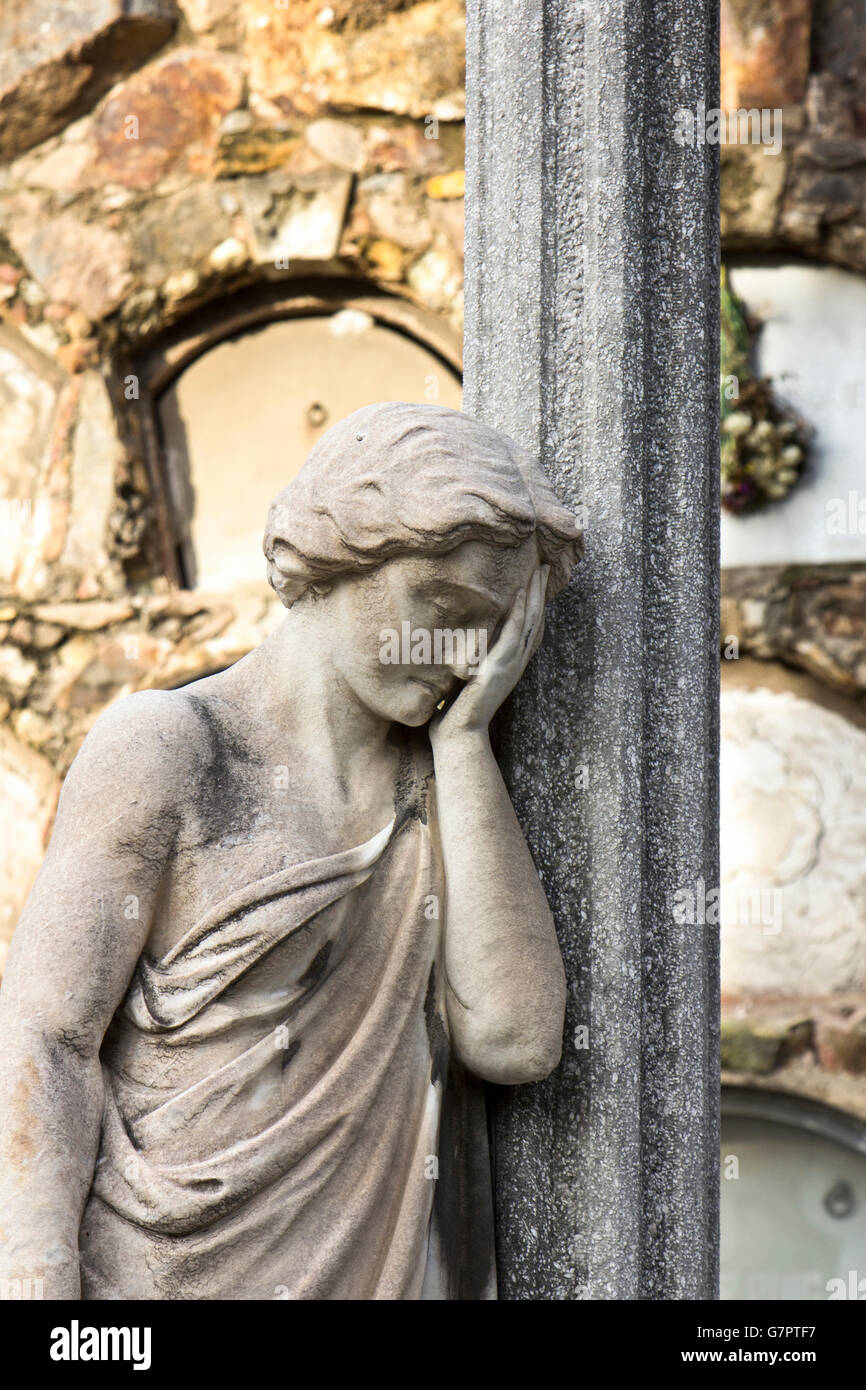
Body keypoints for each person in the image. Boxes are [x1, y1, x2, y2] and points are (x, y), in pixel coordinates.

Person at [0, 402, 581, 1300]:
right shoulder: (171, 749)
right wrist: (38, 1290)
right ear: (340, 551)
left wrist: (465, 745)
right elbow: (47, 1034)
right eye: (445, 609)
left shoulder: (441, 788)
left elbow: (516, 1038)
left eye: (493, 635)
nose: (462, 656)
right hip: (157, 1276)